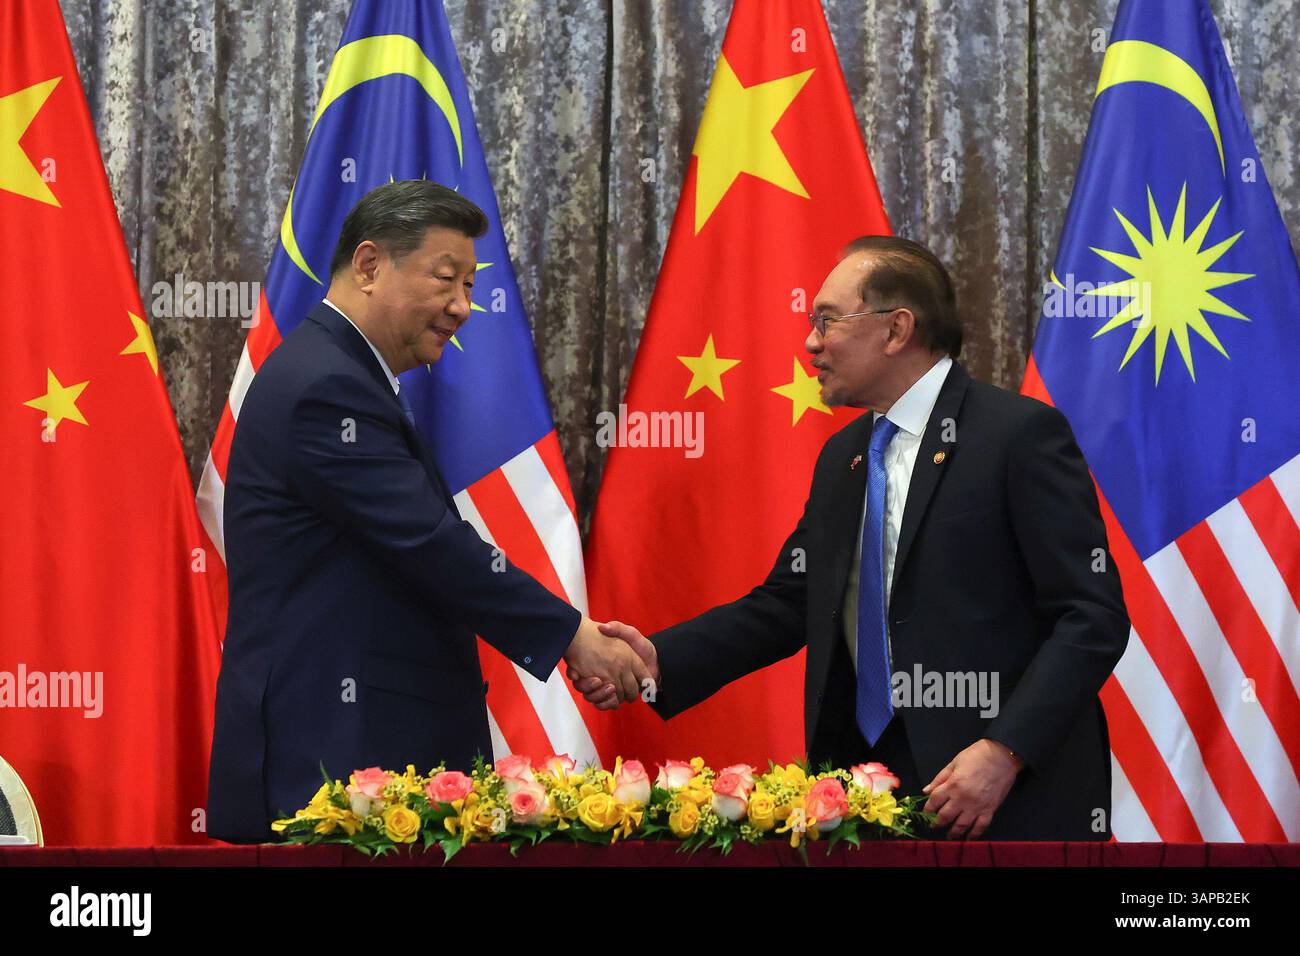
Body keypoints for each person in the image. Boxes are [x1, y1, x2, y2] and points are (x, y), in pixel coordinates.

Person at [574, 236, 1130, 840]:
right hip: (865, 795)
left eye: (827, 321)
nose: (811, 343)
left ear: (896, 330)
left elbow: (1091, 616)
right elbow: (789, 602)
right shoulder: (846, 455)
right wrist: (660, 659)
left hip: (1000, 798)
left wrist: (1005, 750)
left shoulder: (1018, 435)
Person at [208, 180, 645, 843]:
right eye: (447, 279)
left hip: (357, 751)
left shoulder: (344, 373)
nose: (464, 307)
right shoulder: (327, 385)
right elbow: (432, 545)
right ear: (369, 265)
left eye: (470, 285)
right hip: (331, 757)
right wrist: (573, 636)